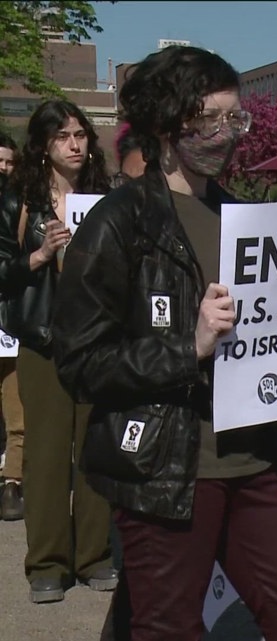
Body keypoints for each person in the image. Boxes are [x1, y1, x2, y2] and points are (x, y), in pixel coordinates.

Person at [51, 45, 277, 640]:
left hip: (254, 462)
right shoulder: (119, 221)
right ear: (167, 125)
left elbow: (263, 337)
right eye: (209, 119)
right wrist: (189, 346)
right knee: (168, 627)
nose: (226, 133)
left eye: (235, 118)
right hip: (167, 470)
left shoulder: (245, 218)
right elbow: (80, 362)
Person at [0, 99, 115, 603]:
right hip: (43, 341)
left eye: (80, 134)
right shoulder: (17, 201)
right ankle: (47, 563)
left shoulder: (106, 198)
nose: (74, 144)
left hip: (97, 339)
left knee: (95, 448)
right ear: (44, 145)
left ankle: (94, 555)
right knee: (45, 454)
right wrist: (40, 255)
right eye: (62, 136)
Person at [0, 131, 25, 522]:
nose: (3, 168)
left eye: (9, 162)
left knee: (18, 411)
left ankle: (12, 484)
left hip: (11, 322)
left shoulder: (22, 206)